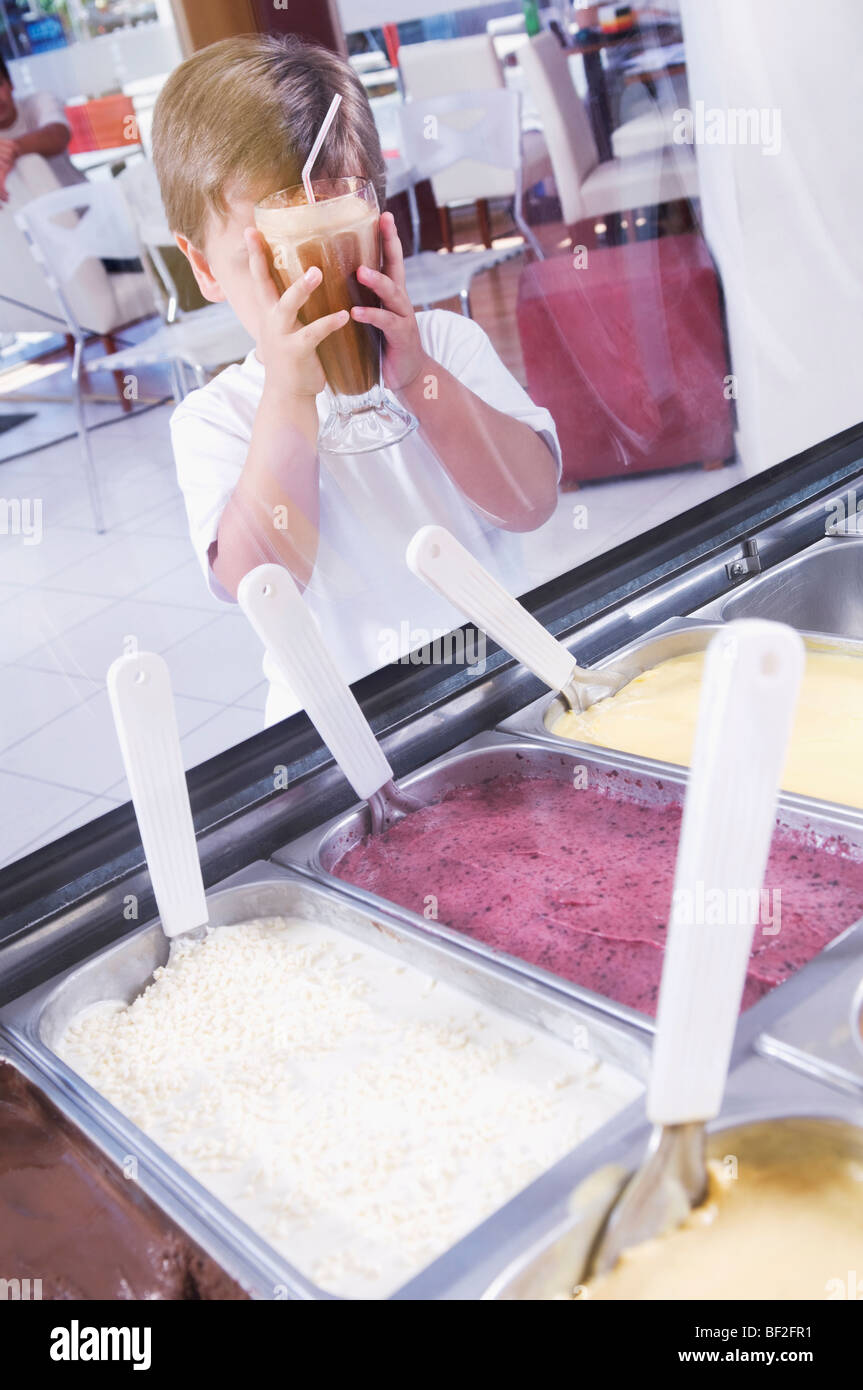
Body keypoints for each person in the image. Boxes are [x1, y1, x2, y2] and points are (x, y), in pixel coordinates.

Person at [152, 35, 561, 724]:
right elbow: (263, 583)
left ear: (375, 223)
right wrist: (289, 396)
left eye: (331, 226)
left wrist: (421, 379)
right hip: (334, 730)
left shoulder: (446, 346)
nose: (304, 279)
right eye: (266, 251)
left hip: (499, 686)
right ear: (205, 269)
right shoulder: (215, 419)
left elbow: (531, 503)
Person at [0, 55, 83, 200]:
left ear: (10, 83)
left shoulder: (39, 102)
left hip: (83, 204)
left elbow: (59, 135)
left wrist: (11, 151)